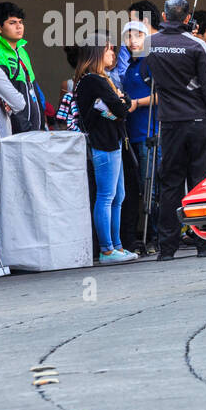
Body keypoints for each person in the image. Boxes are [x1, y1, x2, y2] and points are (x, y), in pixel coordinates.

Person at [148, 0, 206, 261]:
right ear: (187, 19)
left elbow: (149, 78)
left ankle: (166, 248)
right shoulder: (196, 44)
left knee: (170, 183)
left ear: (163, 14)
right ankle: (204, 244)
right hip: (197, 121)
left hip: (169, 123)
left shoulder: (152, 43)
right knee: (199, 181)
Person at [74, 37, 138, 264]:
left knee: (117, 196)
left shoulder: (101, 79)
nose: (113, 54)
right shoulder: (93, 80)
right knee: (106, 196)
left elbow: (125, 102)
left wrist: (121, 100)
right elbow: (121, 109)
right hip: (104, 143)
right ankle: (107, 249)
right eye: (109, 50)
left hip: (112, 141)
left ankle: (117, 245)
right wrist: (120, 101)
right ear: (97, 52)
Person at [120, 22, 159, 250]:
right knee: (139, 189)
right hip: (132, 135)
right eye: (128, 36)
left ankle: (155, 237)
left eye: (138, 35)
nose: (133, 41)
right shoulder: (129, 67)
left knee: (151, 188)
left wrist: (136, 103)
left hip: (149, 133)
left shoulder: (150, 63)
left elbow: (162, 95)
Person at [0, 1, 45, 132]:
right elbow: (7, 97)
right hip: (18, 131)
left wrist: (42, 121)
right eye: (12, 23)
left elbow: (33, 87)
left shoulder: (21, 49)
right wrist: (24, 128)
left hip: (35, 127)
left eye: (20, 22)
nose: (19, 27)